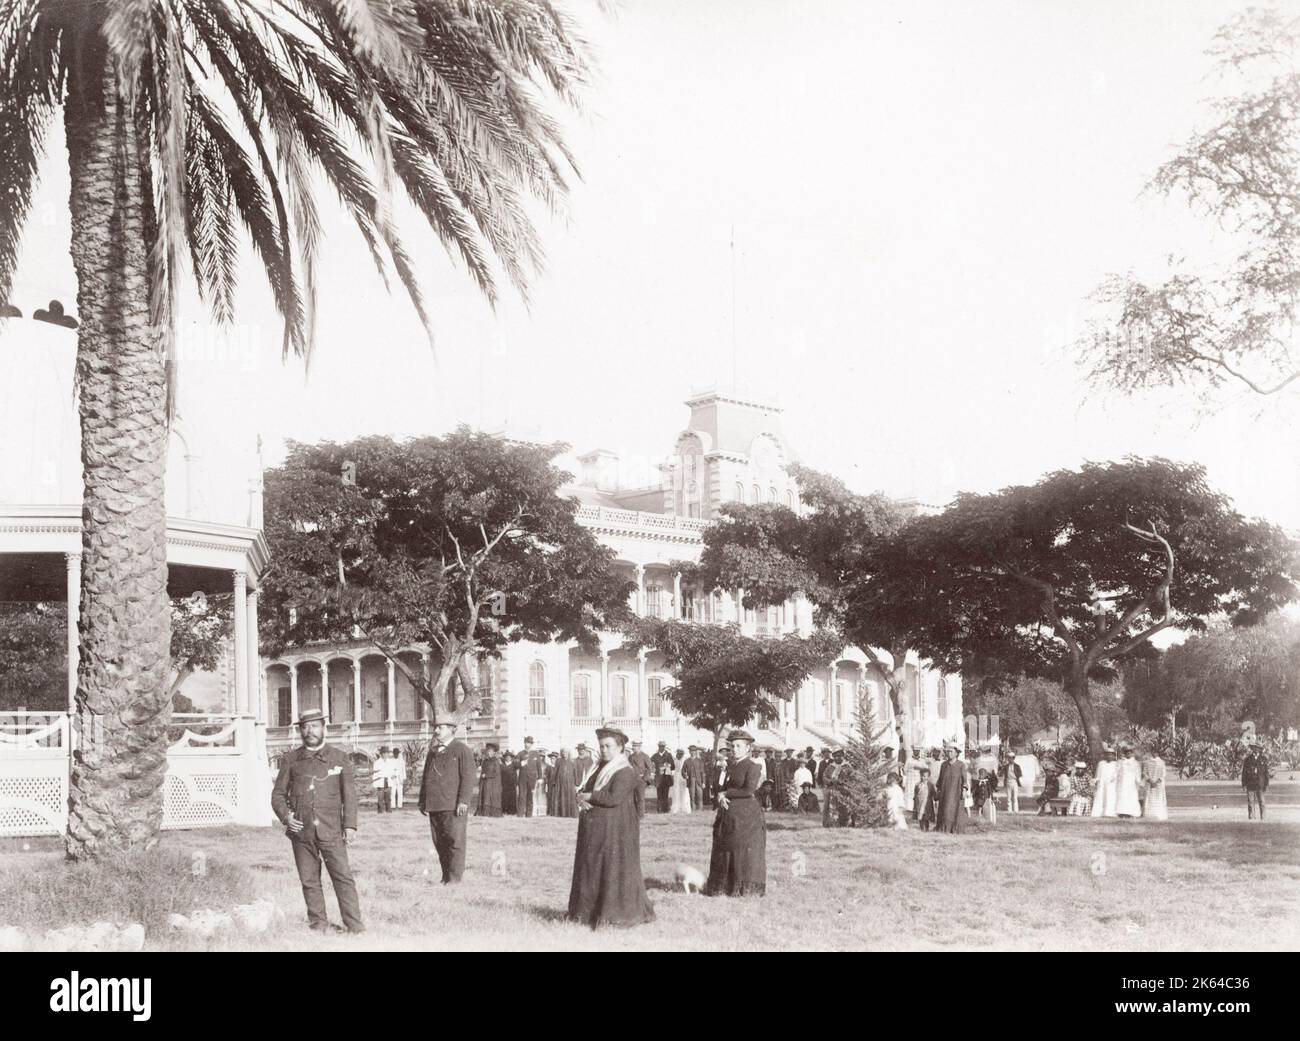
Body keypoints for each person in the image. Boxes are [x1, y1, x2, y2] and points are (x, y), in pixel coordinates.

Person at [270, 709, 364, 933]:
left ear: (324, 728)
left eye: (314, 726)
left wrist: (350, 825)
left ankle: (355, 927)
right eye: (305, 726)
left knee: (343, 878)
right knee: (309, 881)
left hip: (332, 830)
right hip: (301, 831)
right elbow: (277, 795)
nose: (309, 731)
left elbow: (349, 796)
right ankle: (318, 925)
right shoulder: (291, 760)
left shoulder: (339, 757)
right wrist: (287, 816)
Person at [568, 727, 655, 928]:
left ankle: (613, 914)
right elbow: (583, 789)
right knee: (592, 868)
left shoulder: (625, 770)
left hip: (615, 830)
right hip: (595, 828)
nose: (604, 750)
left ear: (620, 747)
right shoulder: (598, 767)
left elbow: (614, 797)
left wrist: (589, 797)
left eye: (608, 746)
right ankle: (587, 913)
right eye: (601, 746)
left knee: (611, 869)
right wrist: (581, 799)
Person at [704, 729, 767, 896]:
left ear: (748, 748)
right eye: (733, 746)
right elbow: (723, 788)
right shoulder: (731, 766)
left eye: (739, 746)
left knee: (741, 849)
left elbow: (748, 790)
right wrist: (720, 796)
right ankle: (725, 885)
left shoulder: (753, 766)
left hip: (747, 817)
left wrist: (726, 794)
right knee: (726, 848)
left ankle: (743, 888)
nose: (735, 749)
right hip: (728, 814)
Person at [419, 720, 475, 884]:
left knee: (455, 841)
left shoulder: (462, 750)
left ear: (452, 730)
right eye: (436, 727)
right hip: (435, 805)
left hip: (453, 805)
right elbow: (426, 778)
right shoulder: (433, 751)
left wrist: (463, 801)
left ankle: (454, 879)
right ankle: (445, 877)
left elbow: (468, 777)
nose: (436, 731)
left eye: (440, 728)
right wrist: (423, 800)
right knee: (439, 842)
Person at [934, 741, 968, 833]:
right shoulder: (944, 765)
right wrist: (938, 791)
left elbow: (965, 779)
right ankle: (944, 828)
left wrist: (964, 790)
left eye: (951, 751)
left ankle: (955, 829)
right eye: (947, 751)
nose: (949, 753)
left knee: (955, 810)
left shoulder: (961, 765)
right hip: (945, 792)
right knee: (945, 809)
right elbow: (940, 780)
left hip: (956, 793)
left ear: (956, 753)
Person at [516, 737, 545, 818]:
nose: (526, 744)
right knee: (522, 796)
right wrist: (521, 763)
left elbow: (539, 767)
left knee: (530, 797)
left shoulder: (536, 754)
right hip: (522, 779)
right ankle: (520, 815)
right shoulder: (520, 753)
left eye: (528, 743)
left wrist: (540, 778)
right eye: (525, 743)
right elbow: (515, 764)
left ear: (531, 744)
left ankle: (529, 815)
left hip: (532, 779)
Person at [549, 747, 580, 818]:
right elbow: (555, 772)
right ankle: (561, 813)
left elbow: (575, 773)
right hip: (560, 783)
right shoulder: (558, 761)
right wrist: (554, 781)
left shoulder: (572, 761)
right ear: (561, 753)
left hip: (569, 783)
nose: (564, 753)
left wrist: (576, 783)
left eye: (566, 752)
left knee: (569, 797)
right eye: (563, 752)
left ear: (568, 753)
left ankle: (569, 814)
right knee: (561, 797)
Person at [1242, 743, 1270, 820]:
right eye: (1254, 748)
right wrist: (1244, 784)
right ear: (1252, 749)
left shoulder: (1263, 759)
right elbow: (1244, 773)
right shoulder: (1247, 760)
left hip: (1260, 784)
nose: (1256, 749)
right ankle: (1251, 818)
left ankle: (1263, 818)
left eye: (1257, 748)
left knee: (1262, 802)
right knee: (1250, 803)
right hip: (1250, 784)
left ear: (1259, 749)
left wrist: (1266, 784)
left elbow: (1266, 773)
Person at [1114, 744, 1142, 818]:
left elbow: (1137, 773)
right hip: (1123, 782)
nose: (1128, 753)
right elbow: (1116, 771)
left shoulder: (1136, 763)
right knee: (1123, 796)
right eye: (1127, 752)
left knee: (1131, 796)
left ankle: (1132, 812)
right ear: (1125, 753)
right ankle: (1122, 812)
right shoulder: (1120, 762)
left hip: (1131, 782)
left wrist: (1138, 781)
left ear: (1132, 753)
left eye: (1130, 752)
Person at [627, 741, 653, 820]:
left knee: (641, 798)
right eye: (633, 746)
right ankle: (634, 814)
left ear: (639, 747)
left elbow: (649, 768)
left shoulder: (645, 756)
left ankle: (641, 815)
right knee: (632, 798)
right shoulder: (630, 757)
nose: (633, 748)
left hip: (641, 780)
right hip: (632, 780)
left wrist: (644, 779)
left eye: (634, 746)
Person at [1091, 746, 1118, 818]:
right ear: (1105, 755)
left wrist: (1113, 780)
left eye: (1111, 754)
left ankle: (1110, 813)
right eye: (1107, 754)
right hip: (1102, 784)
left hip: (1112, 784)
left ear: (1113, 756)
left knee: (1110, 797)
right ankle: (1099, 813)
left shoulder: (1116, 764)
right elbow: (1098, 774)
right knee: (1101, 797)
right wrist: (1096, 781)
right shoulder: (1101, 763)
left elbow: (1117, 775)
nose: (1109, 756)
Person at [477, 743, 503, 817]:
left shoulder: (495, 761)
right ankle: (484, 812)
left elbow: (496, 772)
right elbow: (483, 771)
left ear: (494, 752)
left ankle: (491, 813)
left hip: (493, 783)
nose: (489, 753)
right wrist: (481, 779)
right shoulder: (485, 761)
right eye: (488, 751)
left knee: (490, 797)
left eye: (491, 751)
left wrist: (487, 775)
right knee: (485, 796)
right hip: (485, 782)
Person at [1141, 751, 1167, 821]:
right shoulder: (1147, 762)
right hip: (1150, 783)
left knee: (1157, 797)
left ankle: (1158, 813)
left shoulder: (1161, 762)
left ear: (1158, 753)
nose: (1154, 754)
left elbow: (1163, 774)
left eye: (1156, 752)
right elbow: (1144, 772)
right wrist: (1151, 781)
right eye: (1153, 752)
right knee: (1149, 798)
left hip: (1158, 784)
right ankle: (1149, 814)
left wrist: (1156, 782)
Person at [652, 740, 675, 813]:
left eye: (663, 746)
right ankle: (659, 809)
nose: (661, 748)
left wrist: (667, 766)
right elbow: (650, 765)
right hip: (658, 778)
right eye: (660, 746)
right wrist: (654, 770)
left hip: (666, 778)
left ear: (665, 747)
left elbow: (673, 766)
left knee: (665, 794)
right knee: (659, 794)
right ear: (658, 747)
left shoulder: (669, 755)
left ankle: (665, 809)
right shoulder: (655, 756)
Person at [914, 766, 937, 831]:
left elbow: (934, 794)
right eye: (921, 776)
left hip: (927, 804)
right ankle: (921, 828)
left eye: (924, 776)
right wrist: (915, 803)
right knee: (920, 817)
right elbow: (915, 794)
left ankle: (926, 829)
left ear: (928, 777)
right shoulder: (917, 785)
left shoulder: (930, 785)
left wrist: (936, 797)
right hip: (919, 803)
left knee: (926, 817)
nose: (922, 777)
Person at [372, 746, 393, 814]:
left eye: (387, 753)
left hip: (388, 781)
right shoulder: (377, 762)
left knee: (388, 798)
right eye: (384, 753)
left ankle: (389, 811)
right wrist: (375, 784)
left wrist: (392, 777)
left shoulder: (390, 762)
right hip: (380, 782)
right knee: (380, 798)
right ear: (381, 754)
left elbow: (392, 772)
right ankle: (380, 811)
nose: (386, 755)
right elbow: (375, 773)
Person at [671, 749, 692, 814]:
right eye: (678, 753)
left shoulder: (685, 760)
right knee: (676, 792)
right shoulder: (674, 760)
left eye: (680, 754)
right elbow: (673, 768)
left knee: (684, 792)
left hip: (683, 777)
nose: (679, 755)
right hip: (676, 777)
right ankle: (676, 808)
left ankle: (685, 808)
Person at [500, 752, 518, 816]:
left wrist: (516, 783)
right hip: (504, 784)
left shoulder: (514, 765)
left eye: (509, 757)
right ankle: (505, 810)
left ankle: (512, 811)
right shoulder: (502, 765)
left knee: (512, 798)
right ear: (505, 758)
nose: (508, 758)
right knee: (504, 797)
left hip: (512, 784)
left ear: (511, 758)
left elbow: (516, 773)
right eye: (507, 757)